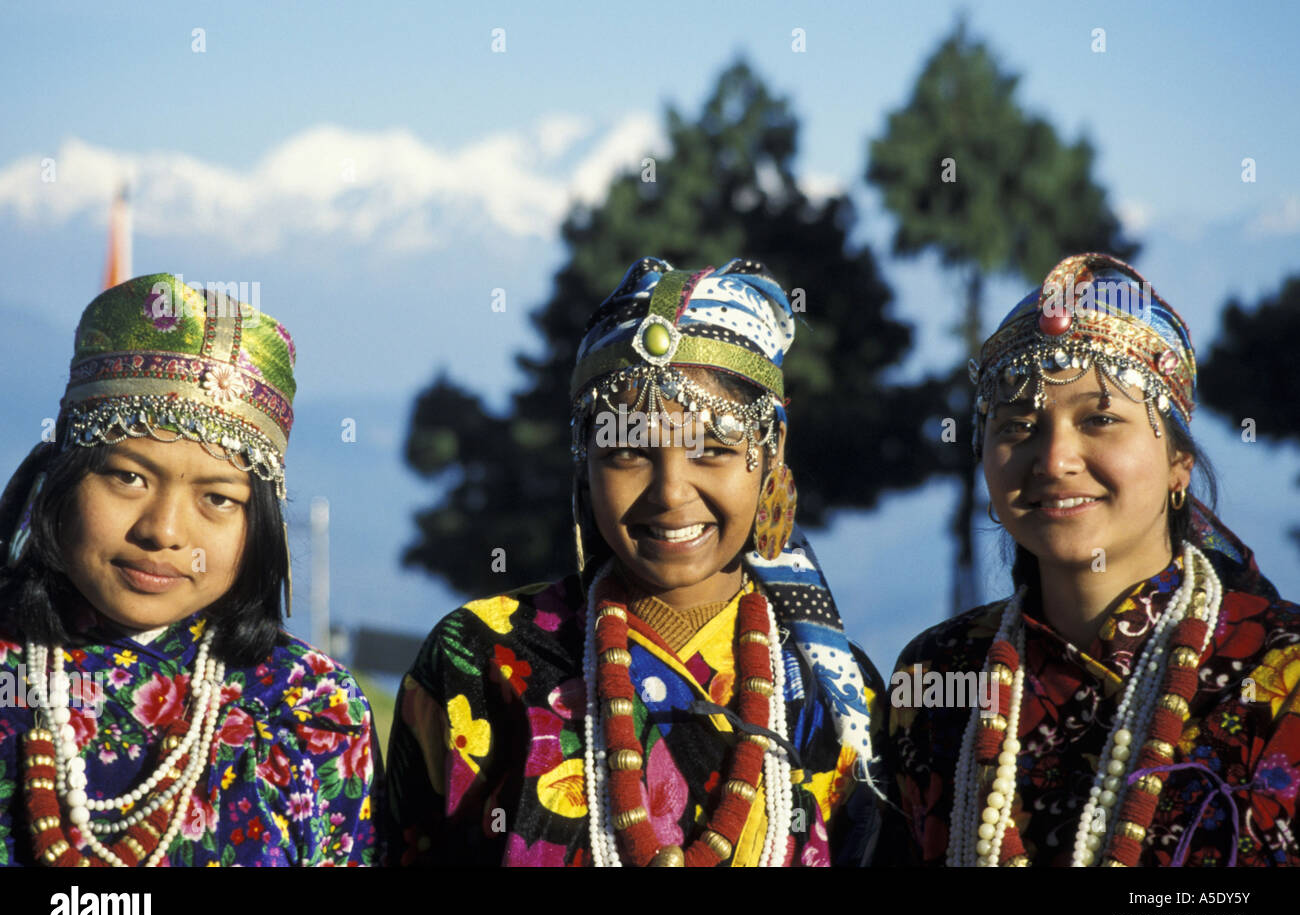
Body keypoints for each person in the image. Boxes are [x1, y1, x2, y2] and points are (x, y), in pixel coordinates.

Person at [387, 257, 886, 866]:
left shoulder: (837, 699)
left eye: (712, 448)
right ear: (584, 461)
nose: (670, 493)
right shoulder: (479, 662)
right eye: (628, 451)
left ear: (771, 450)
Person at [889, 253, 1300, 867]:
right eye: (1018, 426)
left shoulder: (1281, 671)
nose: (1055, 460)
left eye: (1100, 419)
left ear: (1179, 466)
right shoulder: (938, 675)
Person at [0, 274, 378, 866]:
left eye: (218, 498)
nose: (165, 531)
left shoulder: (309, 708)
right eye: (128, 476)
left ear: (259, 524)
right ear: (60, 483)